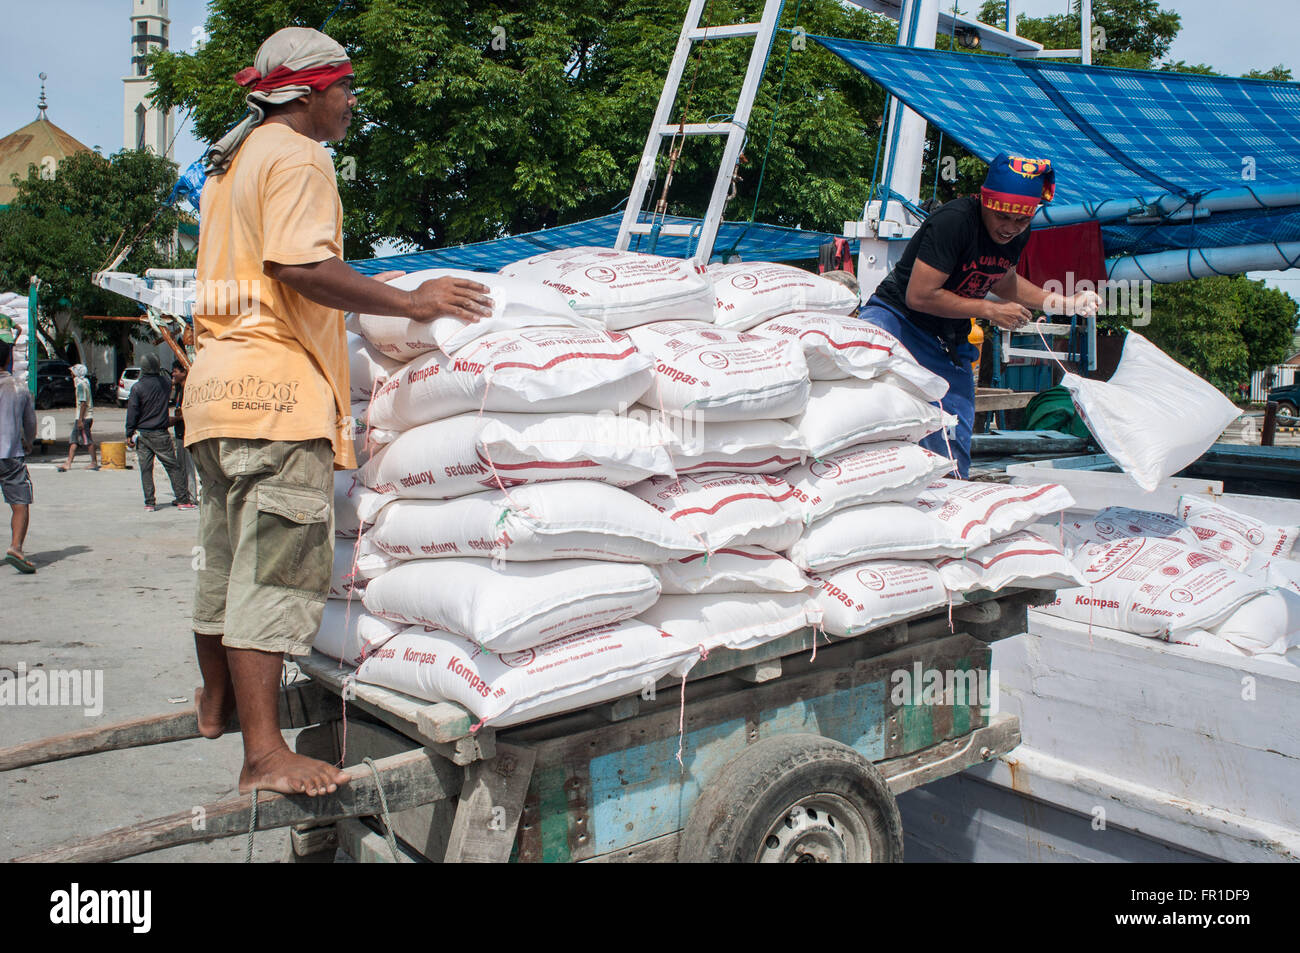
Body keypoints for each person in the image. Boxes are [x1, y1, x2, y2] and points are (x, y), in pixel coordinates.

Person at [187, 26, 493, 798]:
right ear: (313, 91)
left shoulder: (231, 163)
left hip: (215, 391)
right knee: (277, 576)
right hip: (276, 397)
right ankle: (264, 754)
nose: (353, 102)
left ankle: (217, 700)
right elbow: (299, 266)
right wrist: (410, 299)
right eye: (347, 88)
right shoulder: (298, 156)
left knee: (223, 564)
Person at [858, 152, 1102, 477]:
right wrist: (989, 310)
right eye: (1003, 217)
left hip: (947, 337)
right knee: (867, 409)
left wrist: (1065, 303)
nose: (1010, 228)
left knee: (953, 431)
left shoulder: (1017, 234)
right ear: (986, 201)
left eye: (1022, 220)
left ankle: (948, 501)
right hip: (897, 321)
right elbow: (919, 295)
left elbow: (1002, 278)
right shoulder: (954, 221)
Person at [126, 353, 195, 512]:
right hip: (160, 433)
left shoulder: (137, 387)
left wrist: (129, 432)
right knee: (172, 467)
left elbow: (133, 411)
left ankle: (150, 503)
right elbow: (168, 379)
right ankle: (183, 500)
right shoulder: (164, 383)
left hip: (143, 434)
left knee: (146, 469)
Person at [0, 328, 36, 573]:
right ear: (7, 359)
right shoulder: (19, 387)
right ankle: (15, 547)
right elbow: (30, 422)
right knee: (20, 503)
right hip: (11, 453)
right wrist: (30, 442)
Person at [58, 364, 99, 472]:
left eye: (72, 372)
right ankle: (68, 462)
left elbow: (83, 403)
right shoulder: (85, 383)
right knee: (74, 440)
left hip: (84, 418)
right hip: (83, 417)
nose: (71, 374)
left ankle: (94, 462)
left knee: (87, 440)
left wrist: (80, 419)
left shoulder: (81, 385)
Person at [169, 360, 198, 504]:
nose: (173, 374)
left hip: (187, 431)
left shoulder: (189, 388)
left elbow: (190, 411)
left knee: (187, 465)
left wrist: (175, 419)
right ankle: (183, 494)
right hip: (180, 431)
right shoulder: (179, 389)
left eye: (175, 371)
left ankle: (191, 496)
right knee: (181, 465)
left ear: (184, 372)